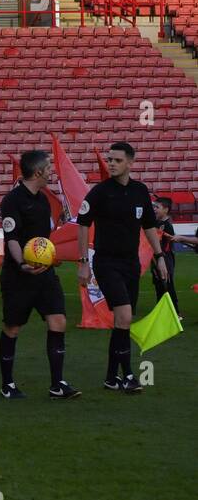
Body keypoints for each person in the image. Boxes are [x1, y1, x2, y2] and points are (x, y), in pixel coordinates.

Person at [76, 141, 167, 394]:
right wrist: (83, 262)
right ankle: (127, 375)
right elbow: (82, 224)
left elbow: (149, 225)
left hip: (131, 264)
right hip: (106, 263)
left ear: (130, 162)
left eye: (117, 160)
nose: (111, 164)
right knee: (125, 315)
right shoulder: (100, 192)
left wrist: (159, 256)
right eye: (109, 159)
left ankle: (109, 377)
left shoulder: (140, 191)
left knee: (122, 320)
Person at [0, 150, 80, 400]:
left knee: (58, 321)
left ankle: (57, 384)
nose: (51, 171)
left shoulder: (44, 200)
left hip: (45, 274)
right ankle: (7, 385)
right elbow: (11, 238)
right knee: (12, 328)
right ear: (38, 172)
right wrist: (22, 263)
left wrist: (50, 256)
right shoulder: (12, 200)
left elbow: (43, 240)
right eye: (48, 168)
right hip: (18, 275)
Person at [152, 196, 193, 317]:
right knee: (158, 285)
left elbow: (166, 245)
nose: (154, 209)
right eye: (154, 207)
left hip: (165, 259)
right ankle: (161, 310)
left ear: (166, 209)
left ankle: (175, 312)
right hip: (155, 258)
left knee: (167, 285)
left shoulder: (167, 226)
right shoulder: (156, 223)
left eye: (157, 207)